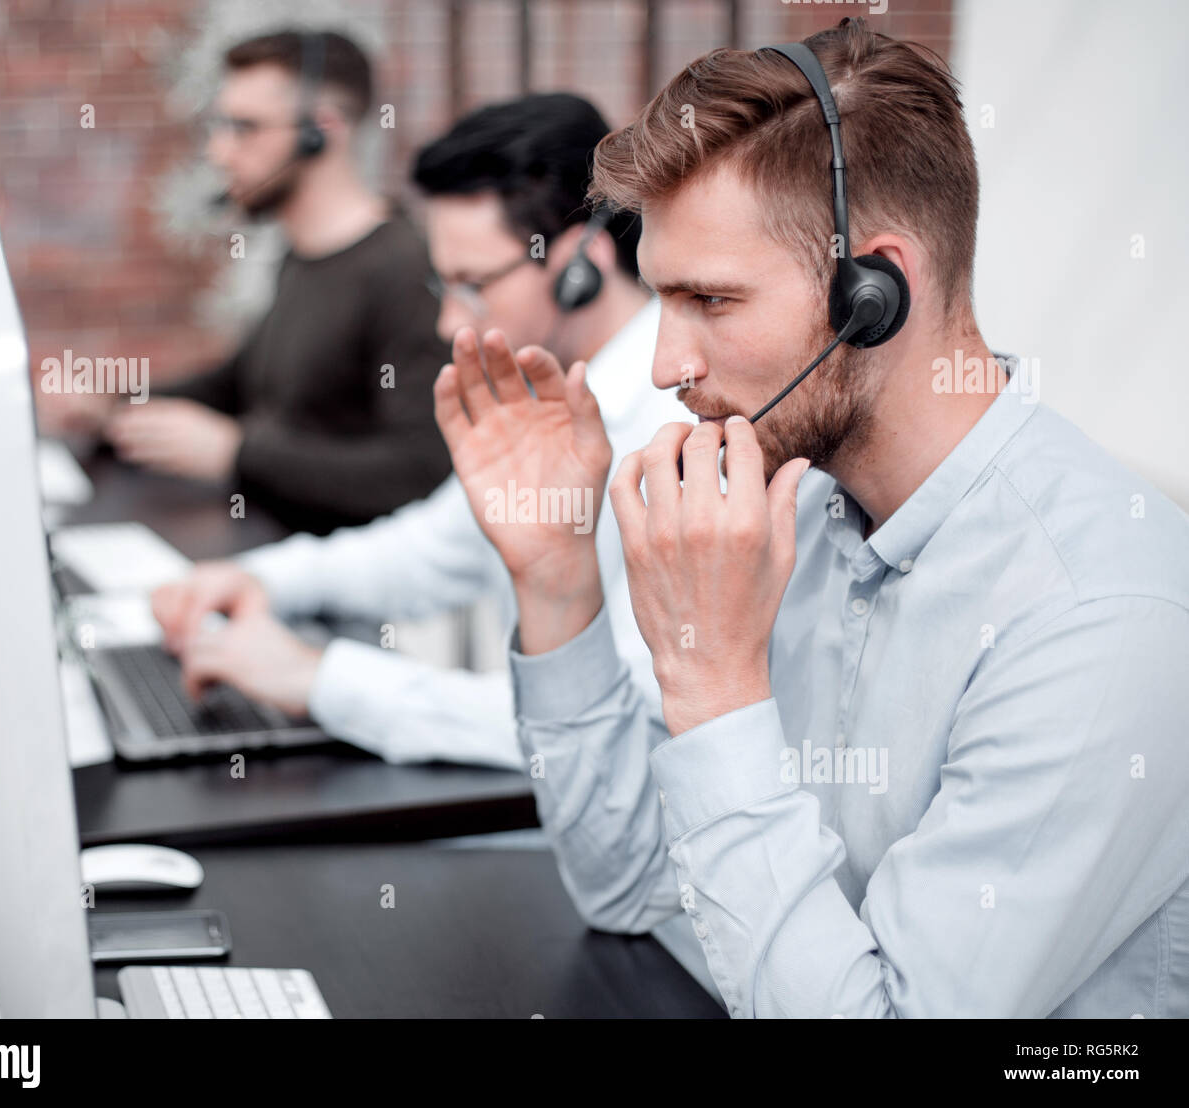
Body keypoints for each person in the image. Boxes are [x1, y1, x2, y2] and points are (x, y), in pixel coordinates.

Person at [431, 20, 1189, 1017]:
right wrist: (555, 575)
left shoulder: (1101, 619)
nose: (665, 365)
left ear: (874, 291)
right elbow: (632, 889)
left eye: (710, 298)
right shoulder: (798, 510)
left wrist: (714, 683)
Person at [149, 93, 688, 769]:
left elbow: (632, 718)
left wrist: (315, 678)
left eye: (472, 284)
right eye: (444, 288)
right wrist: (256, 579)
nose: (448, 325)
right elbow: (424, 551)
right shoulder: (548, 403)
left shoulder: (675, 432)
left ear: (581, 264)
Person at [68, 29, 452, 535]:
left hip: (343, 589)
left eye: (244, 128)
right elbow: (242, 382)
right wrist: (117, 401)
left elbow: (417, 472)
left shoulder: (403, 270)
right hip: (265, 553)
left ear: (321, 132)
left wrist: (237, 452)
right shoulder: (302, 256)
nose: (219, 152)